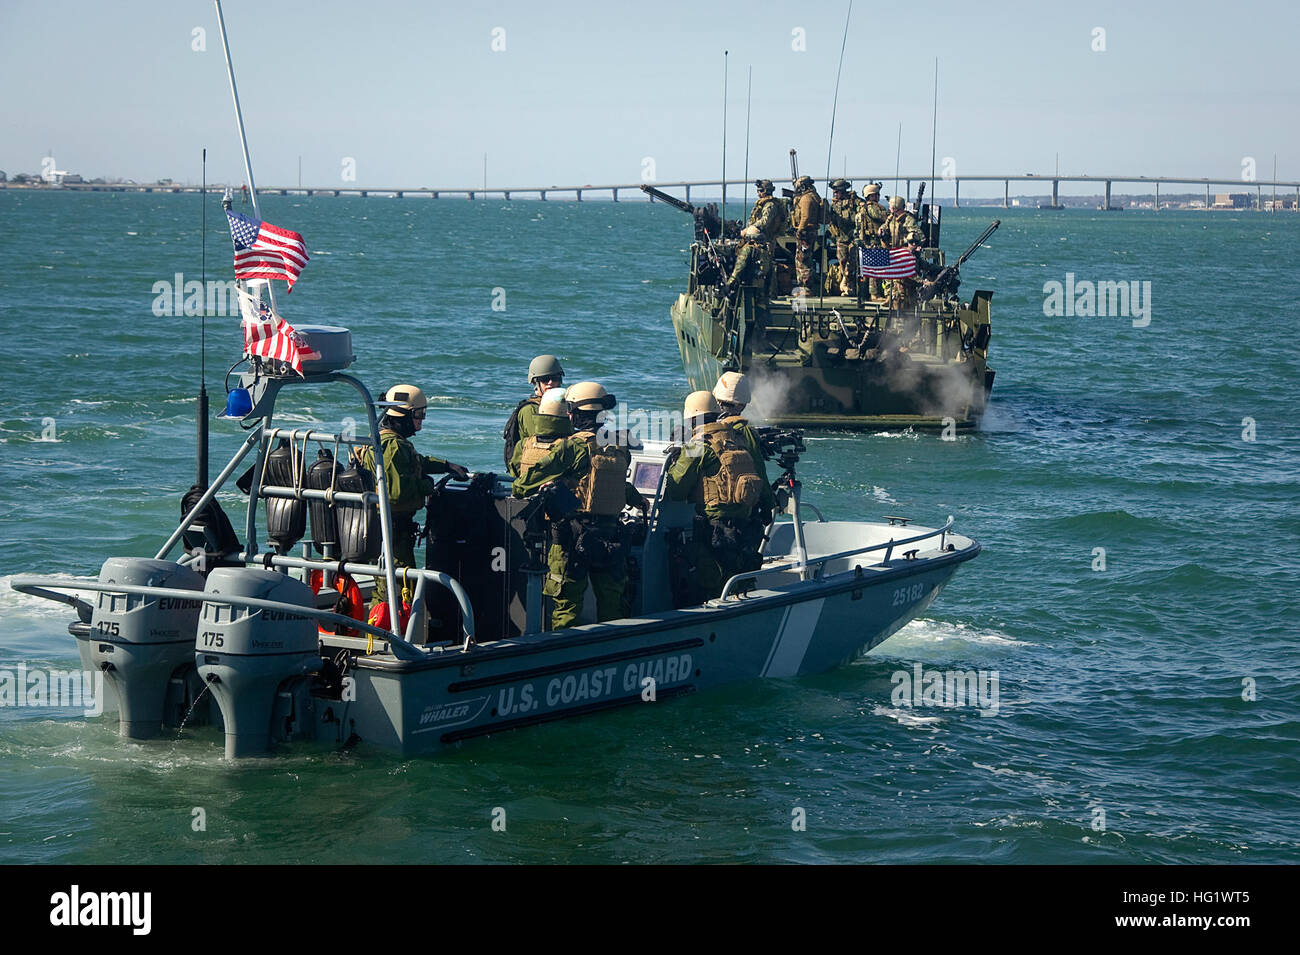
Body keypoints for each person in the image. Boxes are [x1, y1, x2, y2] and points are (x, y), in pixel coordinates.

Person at [512, 381, 646, 629]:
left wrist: (553, 483)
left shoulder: (572, 447)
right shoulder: (618, 448)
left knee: (566, 610)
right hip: (611, 539)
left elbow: (522, 485)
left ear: (572, 414)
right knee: (613, 608)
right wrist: (640, 501)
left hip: (572, 539)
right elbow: (620, 487)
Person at [357, 384, 470, 608]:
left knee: (391, 587)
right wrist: (428, 486)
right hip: (392, 532)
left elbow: (414, 463)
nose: (421, 421)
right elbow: (397, 493)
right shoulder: (394, 446)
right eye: (418, 415)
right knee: (395, 591)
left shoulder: (384, 439)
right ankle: (386, 638)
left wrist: (446, 466)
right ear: (404, 416)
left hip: (384, 529)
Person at [665, 390, 771, 603]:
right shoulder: (739, 438)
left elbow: (676, 490)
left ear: (692, 417)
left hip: (714, 530)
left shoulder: (698, 444)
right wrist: (768, 505)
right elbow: (760, 475)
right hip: (746, 527)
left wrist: (676, 459)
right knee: (741, 586)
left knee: (711, 585)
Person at [503, 354, 564, 474]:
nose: (550, 383)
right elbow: (540, 443)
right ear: (535, 383)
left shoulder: (562, 405)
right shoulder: (530, 410)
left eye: (555, 378)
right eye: (545, 379)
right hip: (534, 469)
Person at [879, 195, 924, 307]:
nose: (889, 209)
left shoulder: (908, 220)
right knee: (889, 278)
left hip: (903, 254)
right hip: (892, 252)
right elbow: (883, 229)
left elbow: (920, 237)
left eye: (890, 207)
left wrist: (909, 245)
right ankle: (890, 297)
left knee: (902, 282)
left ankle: (898, 300)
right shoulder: (891, 219)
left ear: (895, 207)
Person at [854, 183, 889, 300]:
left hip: (869, 241)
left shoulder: (863, 208)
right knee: (875, 268)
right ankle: (874, 294)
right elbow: (881, 217)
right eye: (877, 194)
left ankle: (869, 292)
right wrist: (890, 215)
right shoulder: (872, 207)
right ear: (872, 196)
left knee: (870, 268)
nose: (879, 197)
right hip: (874, 241)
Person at [827, 178, 861, 295]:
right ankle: (846, 284)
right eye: (834, 192)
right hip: (841, 238)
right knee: (842, 261)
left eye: (837, 192)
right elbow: (830, 220)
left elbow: (862, 217)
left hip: (853, 237)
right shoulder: (834, 205)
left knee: (852, 263)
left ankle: (847, 284)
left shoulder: (855, 202)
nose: (835, 194)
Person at [789, 176, 824, 289]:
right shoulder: (813, 196)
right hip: (810, 231)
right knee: (806, 259)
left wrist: (800, 229)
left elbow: (805, 217)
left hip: (806, 233)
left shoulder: (806, 199)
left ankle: (806, 287)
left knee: (803, 260)